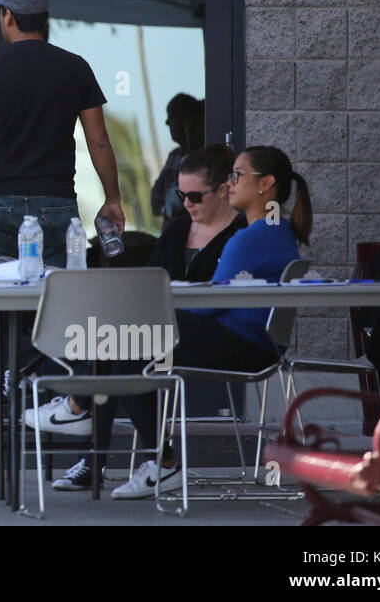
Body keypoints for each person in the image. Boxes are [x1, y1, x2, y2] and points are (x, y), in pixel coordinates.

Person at [0, 0, 123, 432]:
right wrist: (113, 198)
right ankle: (69, 396)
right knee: (62, 300)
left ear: (8, 16)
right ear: (44, 19)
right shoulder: (75, 68)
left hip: (0, 206)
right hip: (56, 206)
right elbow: (98, 140)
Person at [107, 144, 312, 499]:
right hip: (256, 344)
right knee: (128, 340)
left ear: (266, 185)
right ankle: (84, 412)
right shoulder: (277, 233)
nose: (230, 184)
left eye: (237, 175)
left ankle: (163, 463)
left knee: (125, 342)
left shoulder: (250, 237)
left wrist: (163, 313)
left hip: (242, 346)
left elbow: (210, 305)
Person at [43, 144, 244, 491]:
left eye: (196, 195)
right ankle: (98, 443)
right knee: (107, 338)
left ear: (225, 189)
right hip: (165, 329)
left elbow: (223, 298)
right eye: (182, 194)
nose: (187, 204)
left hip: (213, 333)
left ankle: (84, 418)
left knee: (120, 345)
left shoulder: (241, 236)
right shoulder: (178, 230)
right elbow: (151, 283)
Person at [150, 94, 204, 227]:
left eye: (172, 119)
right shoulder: (175, 156)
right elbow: (155, 200)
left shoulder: (207, 157)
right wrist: (167, 208)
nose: (167, 124)